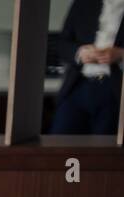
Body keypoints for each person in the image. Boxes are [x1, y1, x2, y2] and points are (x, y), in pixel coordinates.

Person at [49, 0, 124, 135]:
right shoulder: (82, 3)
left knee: (104, 151)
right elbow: (61, 44)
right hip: (78, 85)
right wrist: (79, 53)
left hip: (115, 90)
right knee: (59, 145)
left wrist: (120, 54)